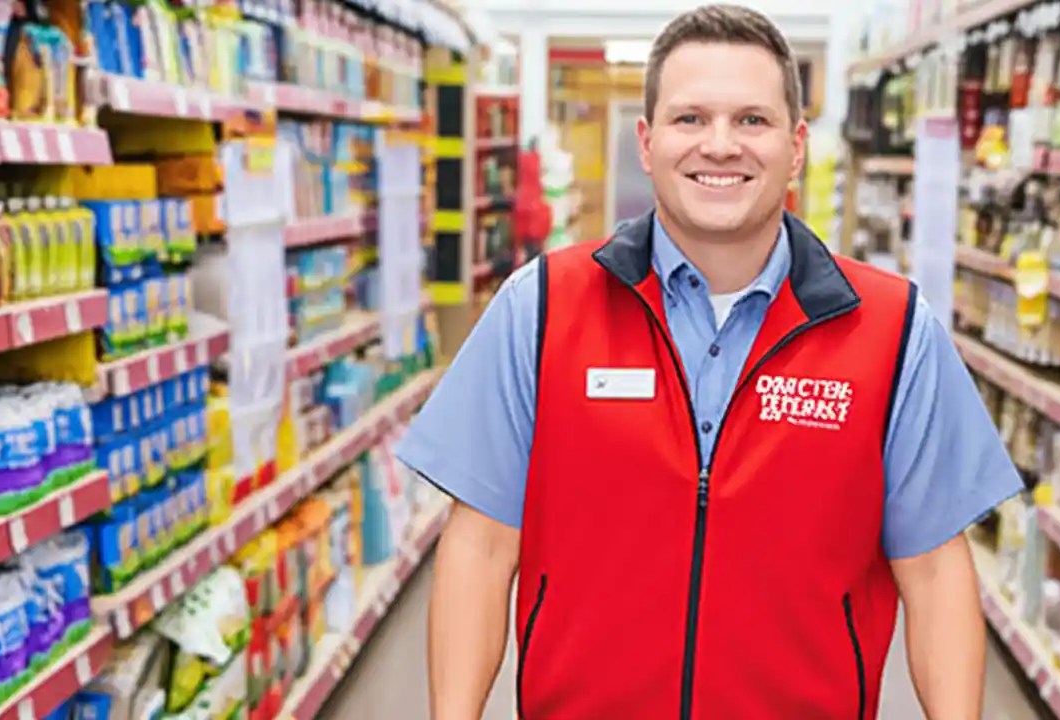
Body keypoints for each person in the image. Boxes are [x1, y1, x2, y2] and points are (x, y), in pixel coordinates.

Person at [398, 5, 1021, 719]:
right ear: (647, 141)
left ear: (796, 146)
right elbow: (479, 548)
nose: (720, 145)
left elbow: (936, 572)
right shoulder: (539, 309)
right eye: (690, 118)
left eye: (752, 120)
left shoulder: (892, 330)